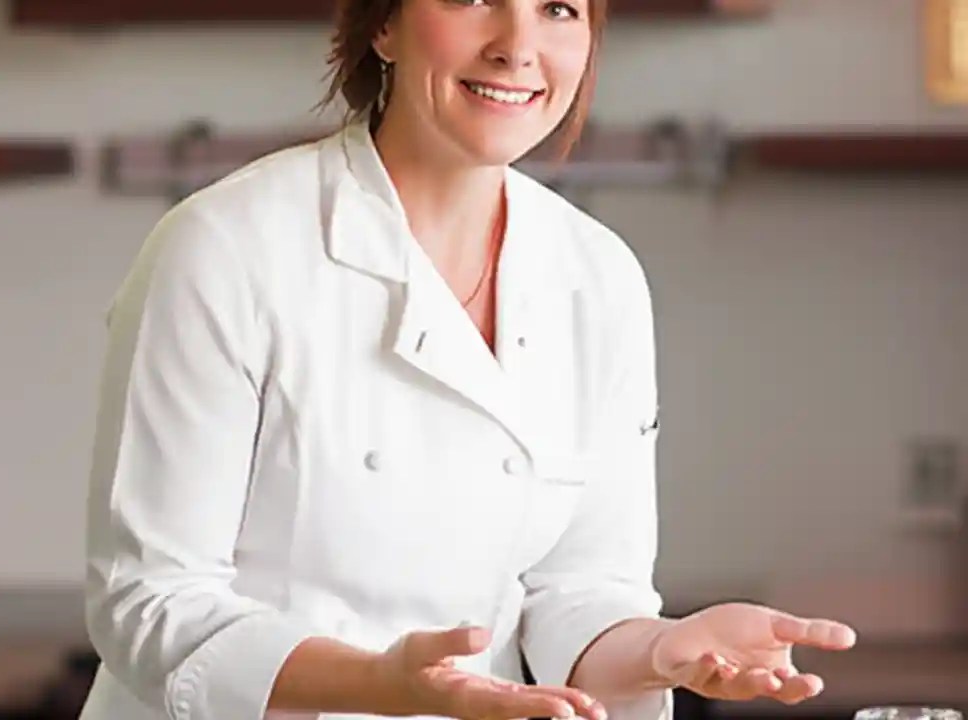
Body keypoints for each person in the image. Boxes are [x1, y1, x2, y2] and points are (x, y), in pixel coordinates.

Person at [79, 0, 858, 718]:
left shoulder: (599, 276)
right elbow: (150, 601)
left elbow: (578, 591)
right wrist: (378, 685)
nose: (518, 47)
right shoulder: (226, 248)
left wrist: (663, 650)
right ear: (381, 25)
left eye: (557, 8)